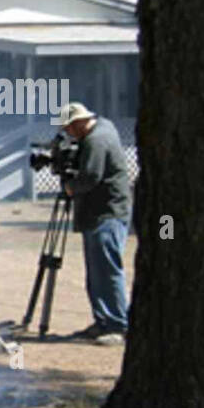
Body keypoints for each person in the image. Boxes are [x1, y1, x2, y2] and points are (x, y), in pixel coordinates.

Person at [58, 102, 132, 344]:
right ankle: (103, 320)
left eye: (69, 128)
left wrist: (70, 187)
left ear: (78, 123)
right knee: (97, 272)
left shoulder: (96, 140)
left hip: (106, 213)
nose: (68, 133)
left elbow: (90, 176)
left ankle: (118, 325)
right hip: (102, 212)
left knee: (107, 271)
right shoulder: (103, 128)